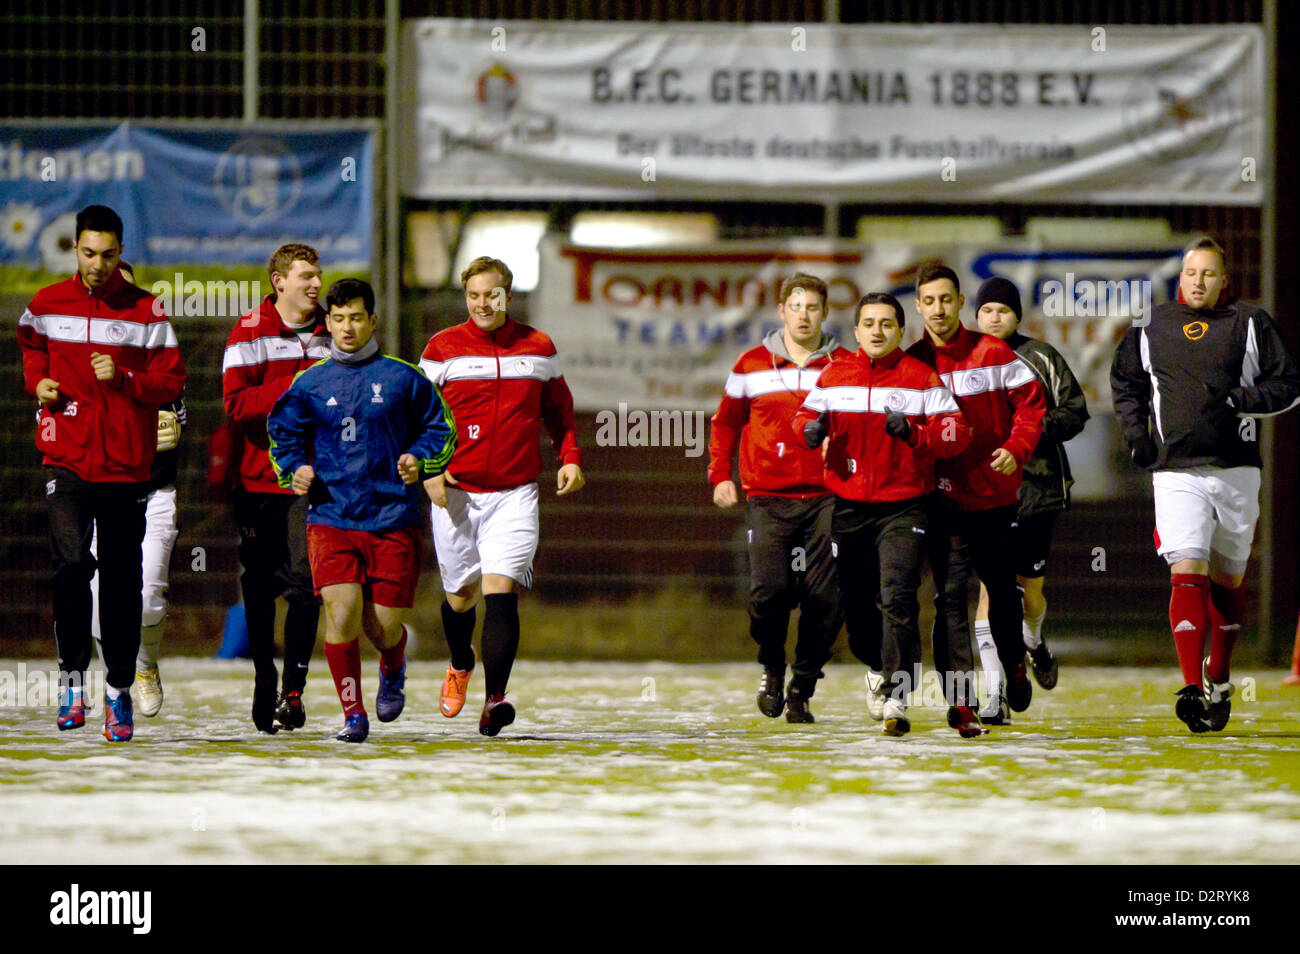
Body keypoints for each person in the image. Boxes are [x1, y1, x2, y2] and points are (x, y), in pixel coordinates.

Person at [1112, 236, 1300, 733]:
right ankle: (1192, 686)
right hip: (1175, 470)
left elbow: (1289, 386)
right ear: (1181, 277)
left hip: (1236, 469)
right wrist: (1136, 437)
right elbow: (1125, 383)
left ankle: (1220, 674)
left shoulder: (1251, 323)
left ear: (1224, 280)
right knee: (1186, 566)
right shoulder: (1150, 324)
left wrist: (1244, 399)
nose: (1198, 281)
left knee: (1229, 580)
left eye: (1208, 274)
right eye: (1191, 273)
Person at [17, 205, 186, 741]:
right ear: (75, 249)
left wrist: (128, 379)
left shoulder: (147, 312)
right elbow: (30, 345)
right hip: (65, 457)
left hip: (125, 464)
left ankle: (116, 690)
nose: (97, 264)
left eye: (108, 255)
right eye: (88, 253)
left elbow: (170, 382)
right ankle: (71, 680)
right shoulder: (46, 303)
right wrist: (38, 381)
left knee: (120, 578)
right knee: (69, 565)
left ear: (120, 252)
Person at [268, 279, 456, 742]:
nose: (347, 327)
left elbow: (441, 429)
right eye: (337, 319)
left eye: (356, 317)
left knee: (382, 625)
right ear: (326, 323)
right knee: (341, 612)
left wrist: (419, 459)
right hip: (331, 517)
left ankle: (394, 660)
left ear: (373, 320)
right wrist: (295, 469)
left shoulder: (404, 377)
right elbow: (282, 436)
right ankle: (353, 713)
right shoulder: (309, 383)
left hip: (393, 518)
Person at [418, 256, 584, 736]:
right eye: (473, 296)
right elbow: (416, 415)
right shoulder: (442, 348)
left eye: (491, 295)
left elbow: (561, 412)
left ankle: (496, 699)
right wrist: (430, 466)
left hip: (515, 493)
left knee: (502, 593)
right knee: (461, 597)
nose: (482, 303)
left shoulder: (538, 347)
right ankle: (459, 660)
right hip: (457, 494)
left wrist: (570, 455)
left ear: (508, 295)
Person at [793, 293, 970, 736]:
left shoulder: (920, 377)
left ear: (900, 331)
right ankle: (876, 664)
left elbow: (956, 432)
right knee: (856, 608)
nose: (877, 331)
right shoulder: (835, 375)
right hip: (850, 507)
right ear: (855, 332)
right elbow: (802, 418)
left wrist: (915, 431)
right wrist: (810, 430)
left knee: (898, 597)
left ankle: (896, 698)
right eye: (868, 323)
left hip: (905, 506)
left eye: (886, 324)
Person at [906, 262, 1045, 737]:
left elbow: (1032, 407)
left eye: (947, 299)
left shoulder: (993, 353)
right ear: (918, 305)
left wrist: (1015, 448)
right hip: (941, 504)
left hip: (994, 500)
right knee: (948, 601)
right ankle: (961, 702)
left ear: (960, 302)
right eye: (929, 300)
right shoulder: (913, 364)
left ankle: (1015, 663)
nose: (938, 309)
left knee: (1004, 599)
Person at [708, 272, 851, 722]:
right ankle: (772, 663)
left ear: (825, 313)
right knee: (769, 592)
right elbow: (725, 423)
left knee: (826, 599)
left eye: (813, 307)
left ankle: (802, 686)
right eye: (796, 306)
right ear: (781, 311)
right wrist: (719, 475)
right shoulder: (751, 364)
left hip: (829, 498)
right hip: (768, 497)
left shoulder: (846, 365)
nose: (804, 315)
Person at [222, 243, 330, 732]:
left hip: (314, 482)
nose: (315, 284)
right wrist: (295, 383)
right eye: (305, 275)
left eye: (318, 275)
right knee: (260, 587)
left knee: (308, 586)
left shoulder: (336, 331)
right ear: (278, 281)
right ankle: (264, 675)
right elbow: (236, 405)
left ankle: (294, 690)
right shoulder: (247, 332)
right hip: (259, 480)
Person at [972, 277, 1089, 723]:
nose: (995, 317)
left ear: (1018, 316)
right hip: (983, 493)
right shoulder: (966, 362)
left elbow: (1075, 410)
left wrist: (1030, 430)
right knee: (991, 587)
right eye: (987, 310)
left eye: (1003, 310)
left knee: (1029, 590)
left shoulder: (1041, 357)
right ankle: (993, 692)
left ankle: (1035, 640)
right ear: (976, 315)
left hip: (1037, 490)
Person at [87, 260, 187, 717]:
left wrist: (170, 429)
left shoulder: (158, 351)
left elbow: (176, 411)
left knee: (146, 596)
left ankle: (144, 664)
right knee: (94, 600)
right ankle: (116, 682)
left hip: (152, 490)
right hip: (95, 490)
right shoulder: (76, 354)